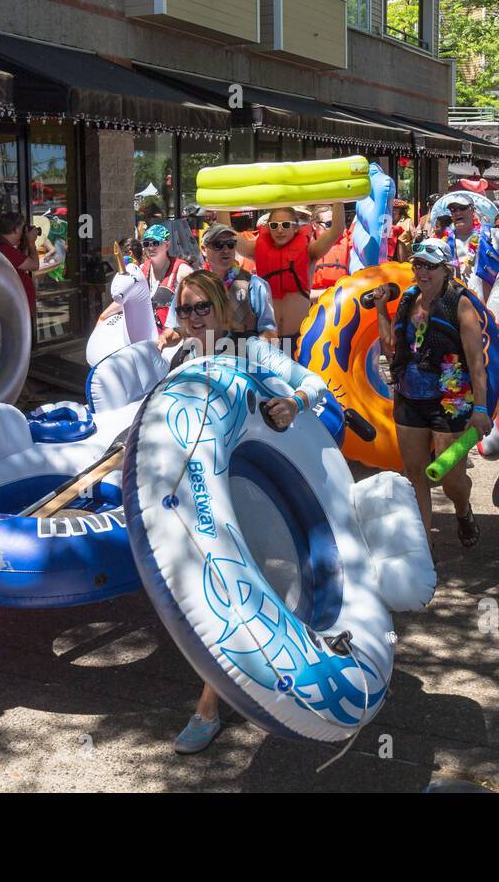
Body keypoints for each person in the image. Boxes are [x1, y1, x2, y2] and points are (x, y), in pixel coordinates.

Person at [166, 270, 328, 754]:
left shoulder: (250, 351)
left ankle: (208, 707)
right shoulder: (178, 357)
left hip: (242, 488)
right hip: (190, 490)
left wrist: (294, 403)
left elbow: (316, 384)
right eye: (185, 309)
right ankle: (238, 678)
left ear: (220, 307)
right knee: (207, 591)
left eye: (202, 308)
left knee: (228, 588)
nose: (194, 319)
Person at [375, 238, 493, 549]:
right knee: (415, 475)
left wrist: (480, 409)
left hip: (449, 402)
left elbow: (476, 363)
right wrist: (379, 309)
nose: (422, 271)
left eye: (430, 265)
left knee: (451, 480)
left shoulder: (460, 304)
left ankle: (462, 509)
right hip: (409, 399)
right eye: (418, 264)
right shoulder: (408, 299)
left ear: (445, 269)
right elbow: (390, 346)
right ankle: (424, 551)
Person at [222, 202, 345, 338]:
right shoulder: (256, 250)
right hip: (268, 340)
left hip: (299, 337)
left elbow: (337, 230)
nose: (280, 230)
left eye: (286, 225)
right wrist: (220, 202)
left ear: (296, 228)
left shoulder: (310, 251)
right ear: (268, 229)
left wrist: (337, 200)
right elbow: (227, 233)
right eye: (274, 226)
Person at [160, 224, 277, 346]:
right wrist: (163, 339)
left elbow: (269, 332)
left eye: (230, 245)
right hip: (201, 359)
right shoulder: (189, 286)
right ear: (204, 249)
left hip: (241, 360)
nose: (225, 250)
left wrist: (257, 347)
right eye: (218, 245)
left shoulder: (254, 285)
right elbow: (176, 330)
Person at [141, 223, 193, 331]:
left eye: (155, 243)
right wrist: (102, 317)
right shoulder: (142, 270)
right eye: (146, 244)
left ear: (167, 245)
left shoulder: (182, 271)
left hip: (175, 337)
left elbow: (195, 303)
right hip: (149, 335)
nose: (151, 247)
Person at [0, 212, 40, 324]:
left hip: (15, 306)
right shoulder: (5, 249)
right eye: (23, 228)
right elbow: (34, 265)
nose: (24, 232)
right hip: (15, 310)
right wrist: (31, 243)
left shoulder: (1, 246)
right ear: (17, 230)